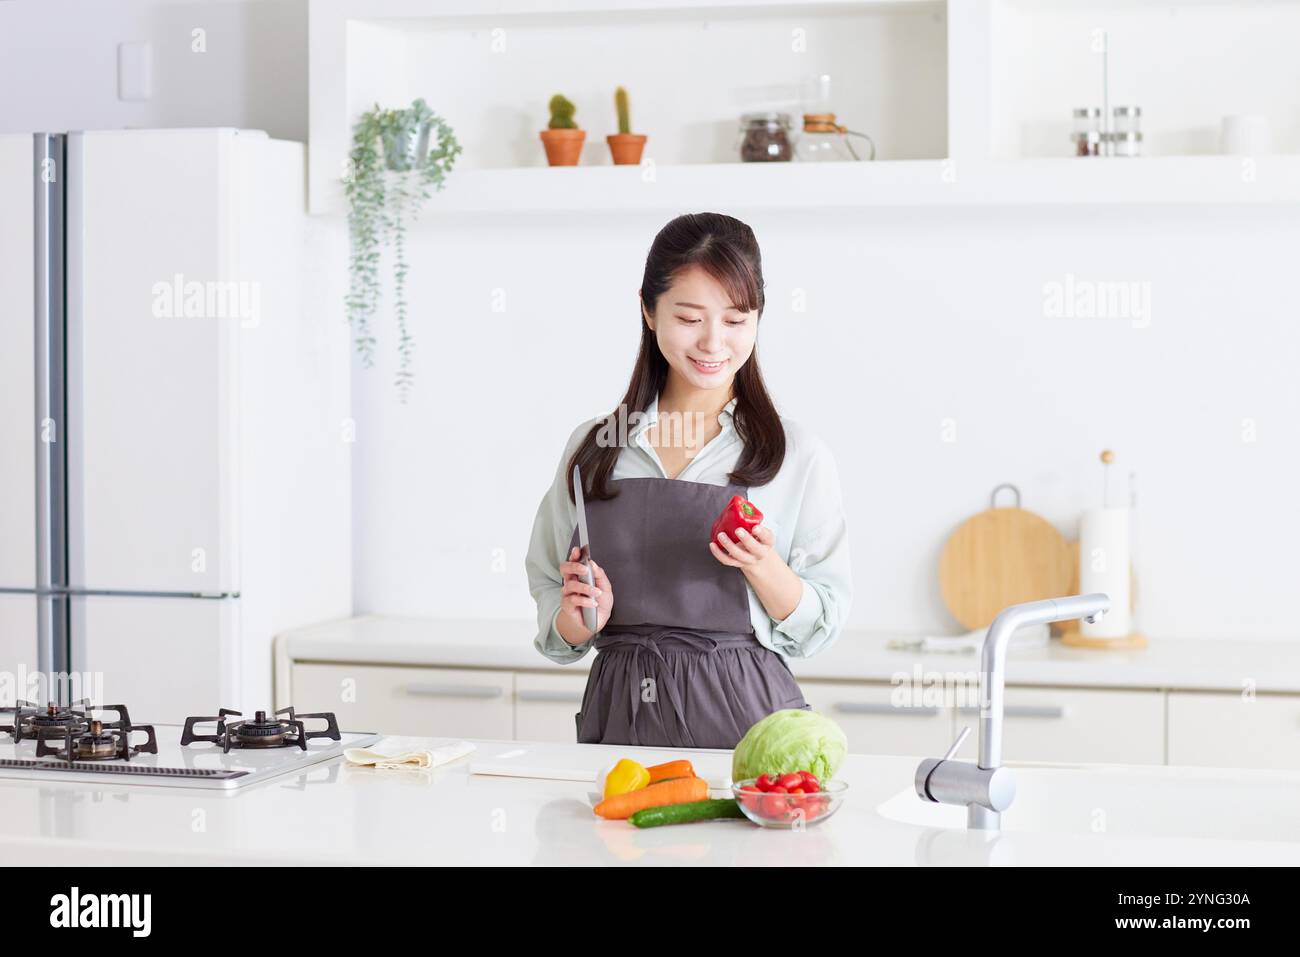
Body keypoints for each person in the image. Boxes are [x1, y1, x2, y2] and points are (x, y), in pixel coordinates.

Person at [525, 211, 852, 749]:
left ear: (758, 319)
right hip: (618, 721)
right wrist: (580, 618)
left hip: (746, 724)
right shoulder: (595, 449)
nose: (713, 343)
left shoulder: (796, 455)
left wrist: (762, 565)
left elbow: (821, 625)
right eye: (690, 317)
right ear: (648, 311)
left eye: (735, 319)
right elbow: (550, 598)